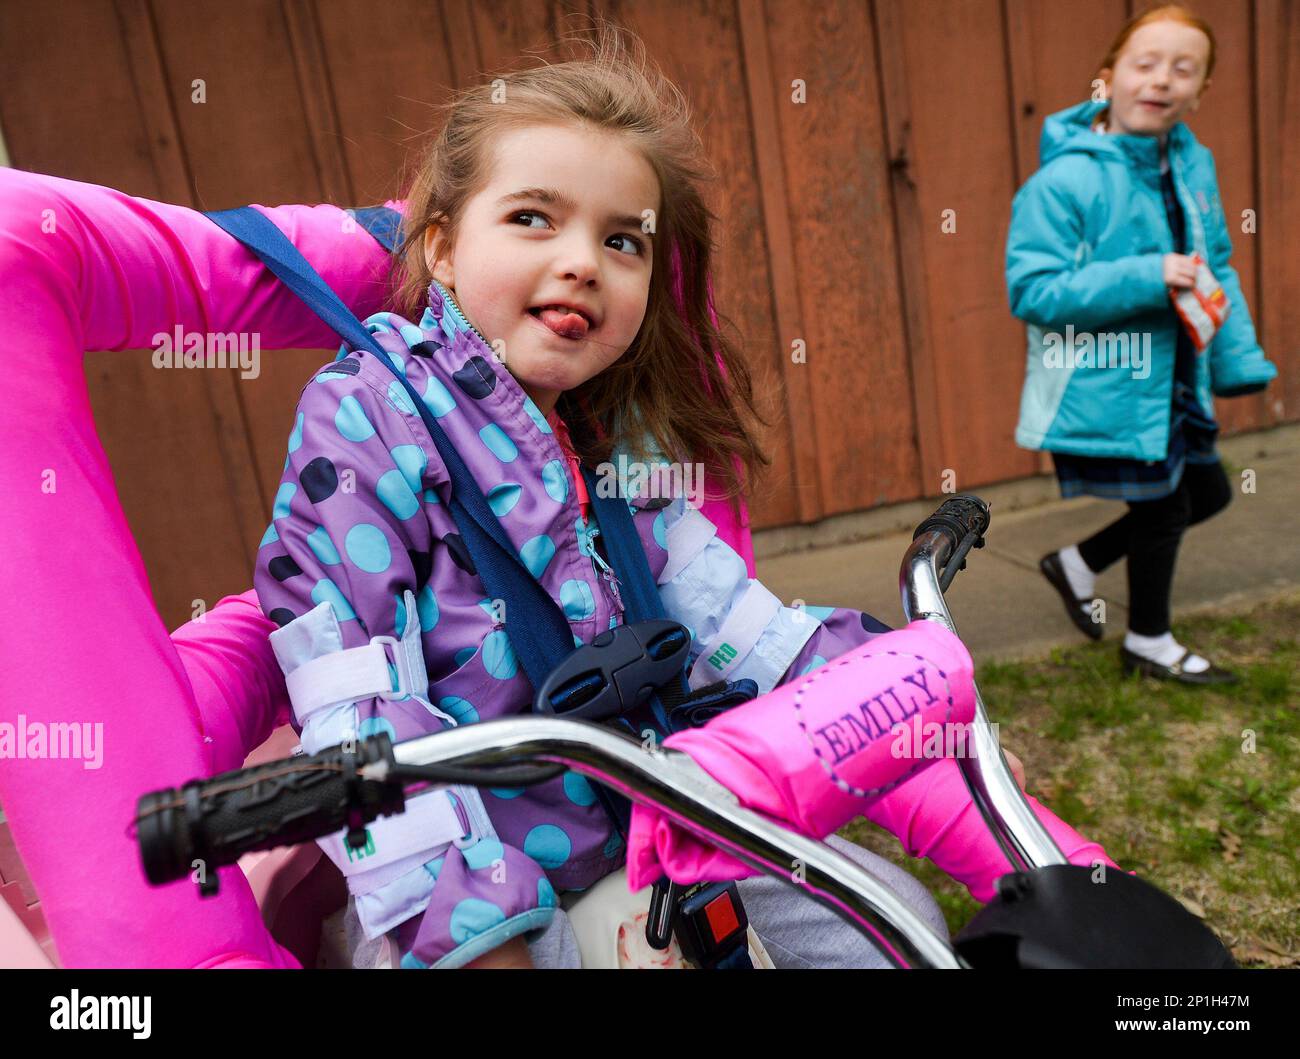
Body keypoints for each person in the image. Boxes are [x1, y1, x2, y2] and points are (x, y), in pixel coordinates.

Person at [1006, 4, 1277, 685]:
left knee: (1208, 492)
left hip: (1178, 374)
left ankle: (1075, 564)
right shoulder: (1065, 180)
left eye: (1183, 69)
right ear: (1108, 80)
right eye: (1145, 63)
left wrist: (1238, 358)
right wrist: (1146, 275)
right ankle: (1149, 642)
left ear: (1200, 90)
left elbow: (1215, 260)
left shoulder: (1193, 165)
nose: (1162, 79)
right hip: (1113, 379)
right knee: (1168, 505)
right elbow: (1034, 291)